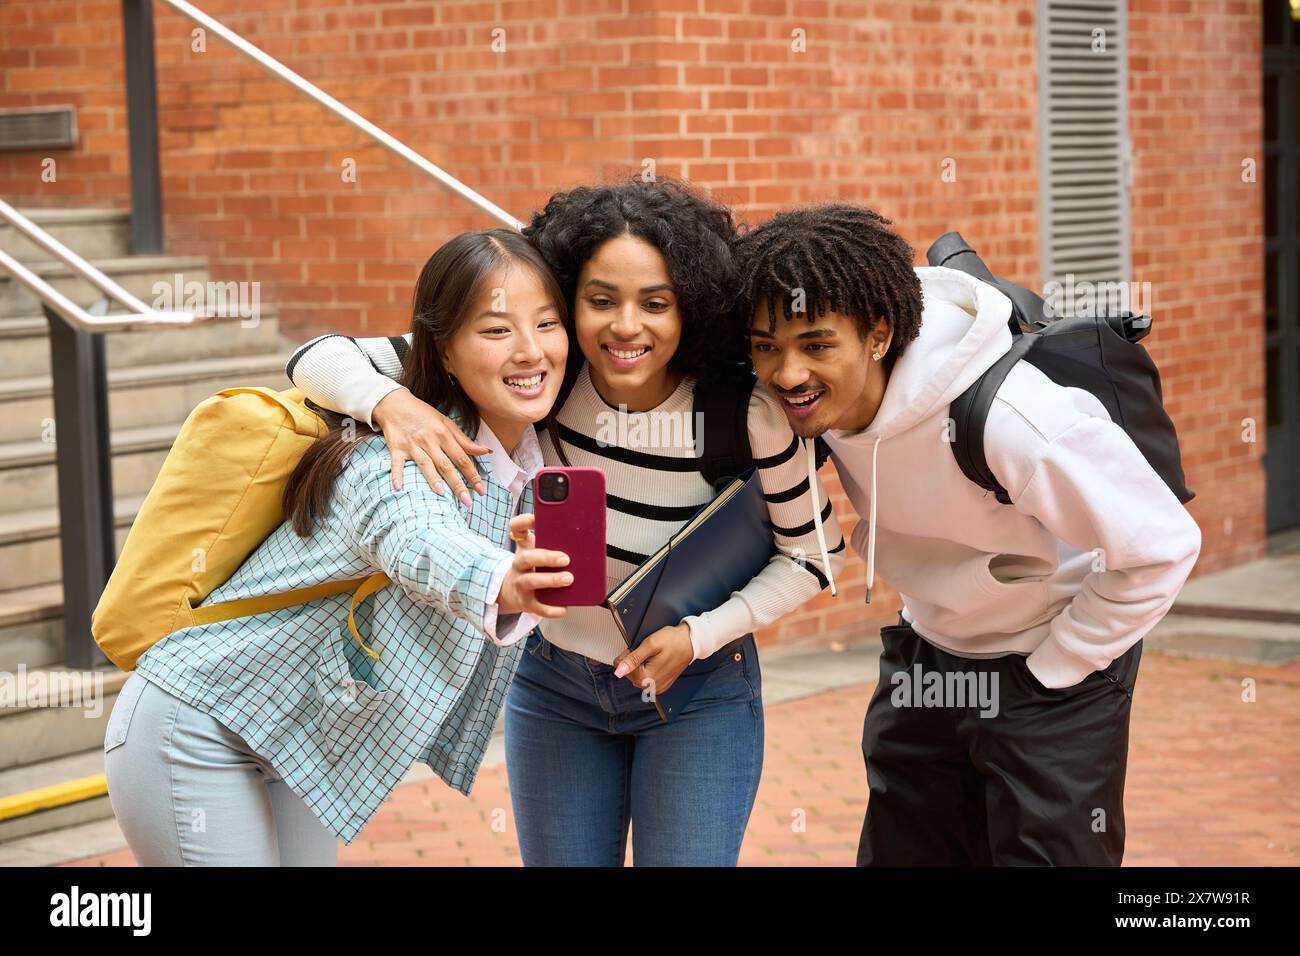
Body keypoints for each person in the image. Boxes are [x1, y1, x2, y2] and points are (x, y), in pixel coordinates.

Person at [283, 178, 846, 866]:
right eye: (601, 300)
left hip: (697, 692)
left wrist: (699, 637)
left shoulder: (747, 412)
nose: (626, 327)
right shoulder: (545, 367)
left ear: (690, 305)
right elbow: (316, 359)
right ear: (570, 301)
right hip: (555, 688)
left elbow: (815, 556)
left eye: (656, 304)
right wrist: (390, 406)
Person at [732, 203, 1202, 865]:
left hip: (1053, 671)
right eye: (766, 348)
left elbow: (1162, 546)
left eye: (816, 345)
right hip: (930, 657)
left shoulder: (1013, 418)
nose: (787, 374)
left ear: (878, 333)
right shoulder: (803, 405)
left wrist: (1057, 667)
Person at [103, 229, 573, 865]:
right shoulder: (399, 457)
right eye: (495, 331)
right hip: (195, 727)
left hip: (295, 737)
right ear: (445, 351)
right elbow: (414, 539)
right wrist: (501, 580)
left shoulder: (525, 465)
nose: (530, 351)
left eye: (548, 324)